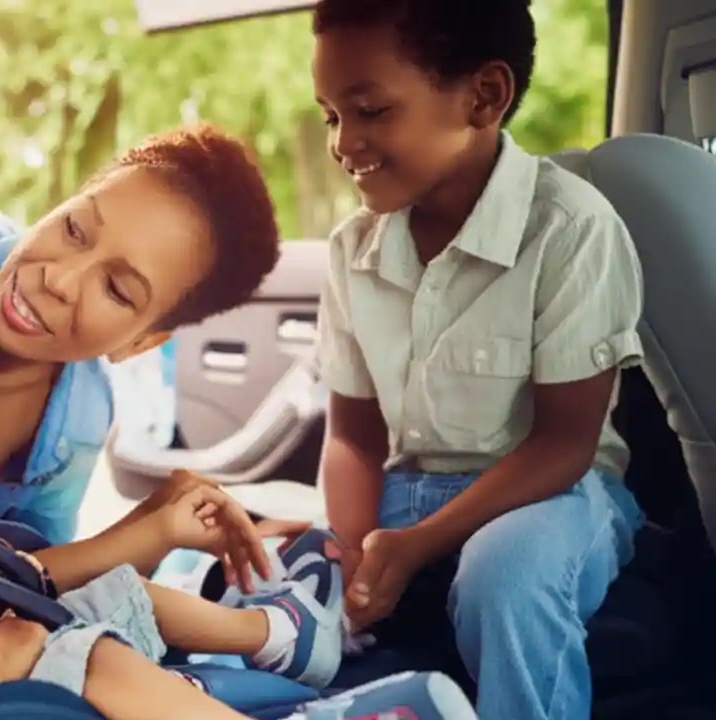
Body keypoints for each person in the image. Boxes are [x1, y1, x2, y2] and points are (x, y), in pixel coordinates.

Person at [0, 190, 478, 720]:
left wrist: (149, 536)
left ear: (141, 343)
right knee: (85, 657)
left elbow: (18, 572)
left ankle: (283, 659)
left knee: (92, 626)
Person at [256, 1, 645, 718]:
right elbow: (353, 436)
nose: (344, 143)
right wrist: (351, 553)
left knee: (507, 577)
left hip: (551, 492)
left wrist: (413, 548)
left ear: (483, 97)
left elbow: (564, 444)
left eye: (369, 110)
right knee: (279, 569)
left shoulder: (571, 229)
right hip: (410, 490)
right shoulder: (353, 248)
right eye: (330, 116)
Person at [0, 124, 284, 593]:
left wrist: (151, 526)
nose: (59, 280)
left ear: (140, 343)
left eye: (117, 290)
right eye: (75, 229)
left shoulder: (79, 419)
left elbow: (17, 581)